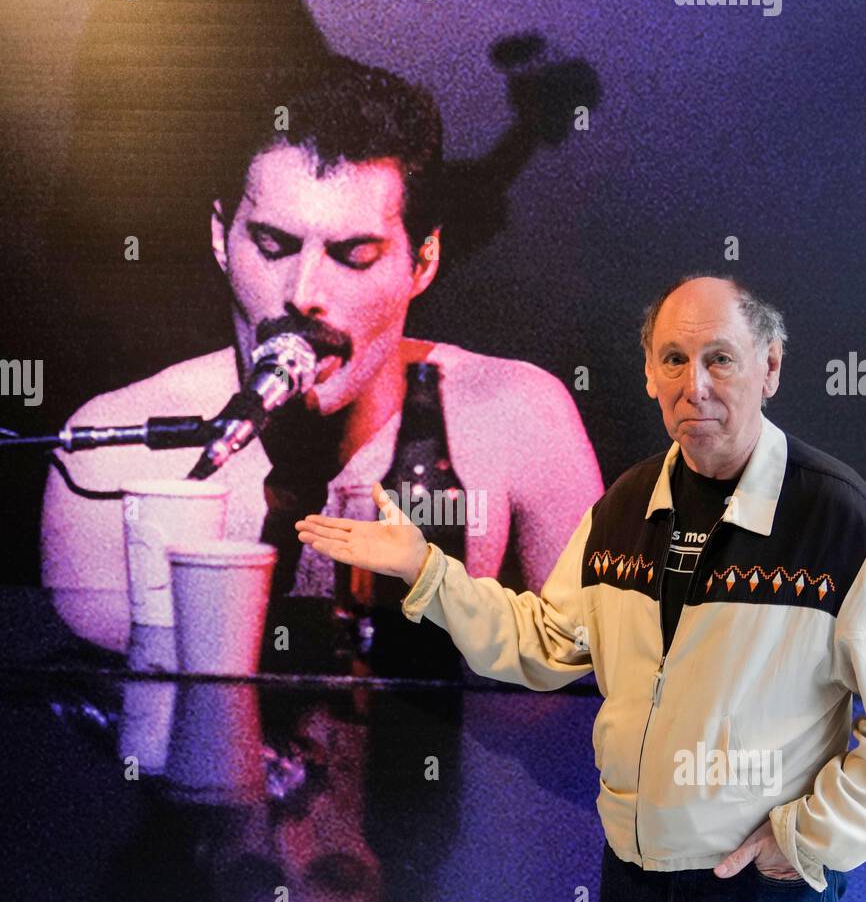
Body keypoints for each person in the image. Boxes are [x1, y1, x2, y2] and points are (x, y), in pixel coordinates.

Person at [296, 274, 866, 902]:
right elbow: (542, 642)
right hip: (639, 891)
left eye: (720, 358)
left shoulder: (836, 517)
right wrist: (425, 572)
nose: (696, 383)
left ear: (772, 367)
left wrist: (809, 836)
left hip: (769, 899)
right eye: (673, 359)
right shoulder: (623, 509)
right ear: (646, 374)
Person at [41, 58, 603, 650]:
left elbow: (597, 691)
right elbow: (104, 719)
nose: (303, 293)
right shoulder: (108, 447)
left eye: (353, 254)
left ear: (424, 260)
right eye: (272, 244)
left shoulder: (522, 418)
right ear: (219, 237)